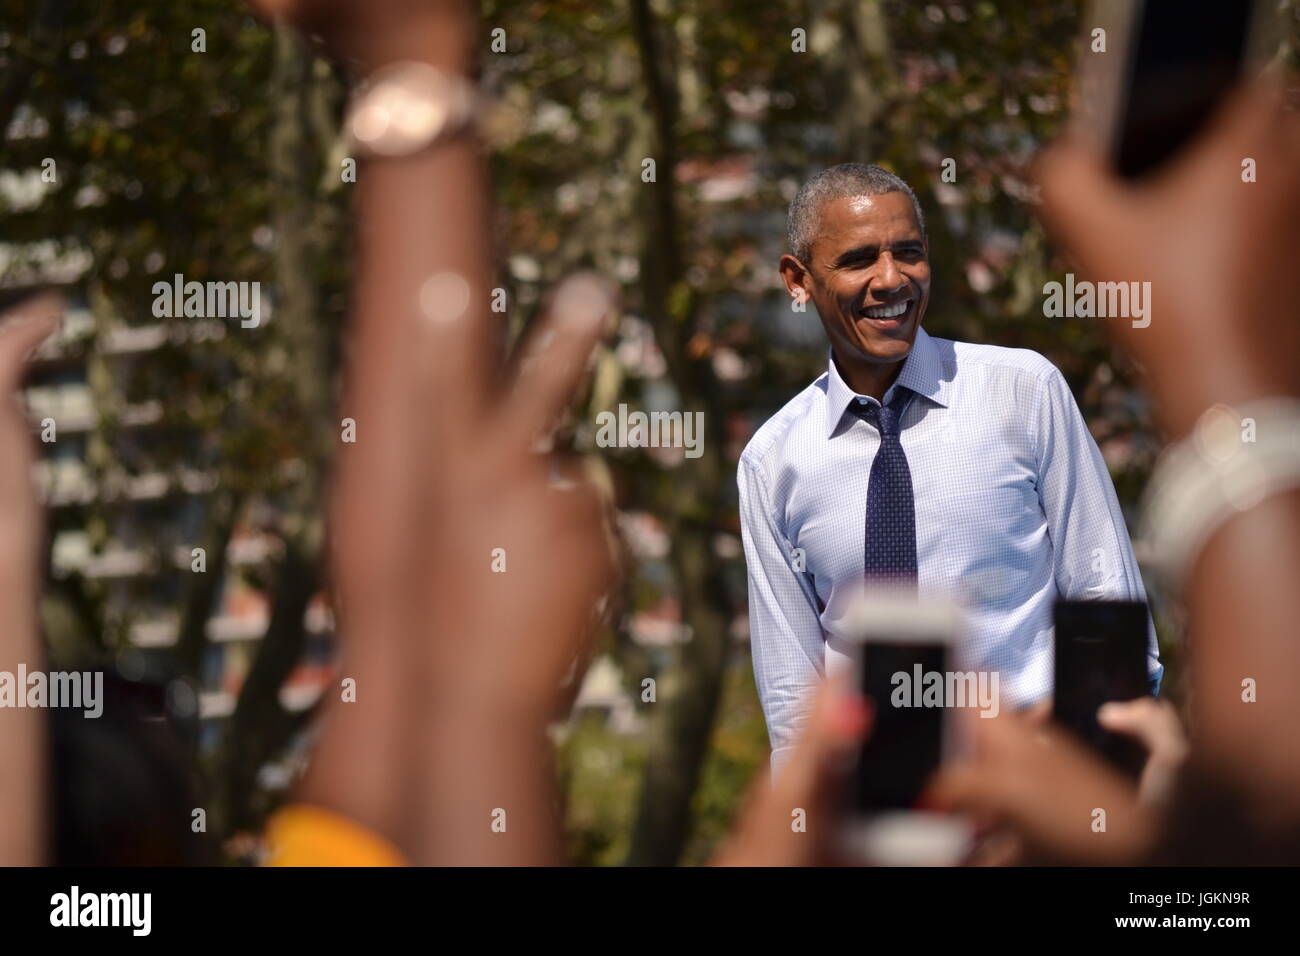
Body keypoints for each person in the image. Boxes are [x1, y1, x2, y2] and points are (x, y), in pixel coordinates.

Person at [739, 163, 1160, 770]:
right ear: (796, 280)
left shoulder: (1024, 392)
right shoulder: (772, 463)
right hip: (881, 817)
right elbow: (792, 693)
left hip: (1036, 790)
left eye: (908, 252)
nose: (892, 279)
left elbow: (1104, 596)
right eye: (859, 260)